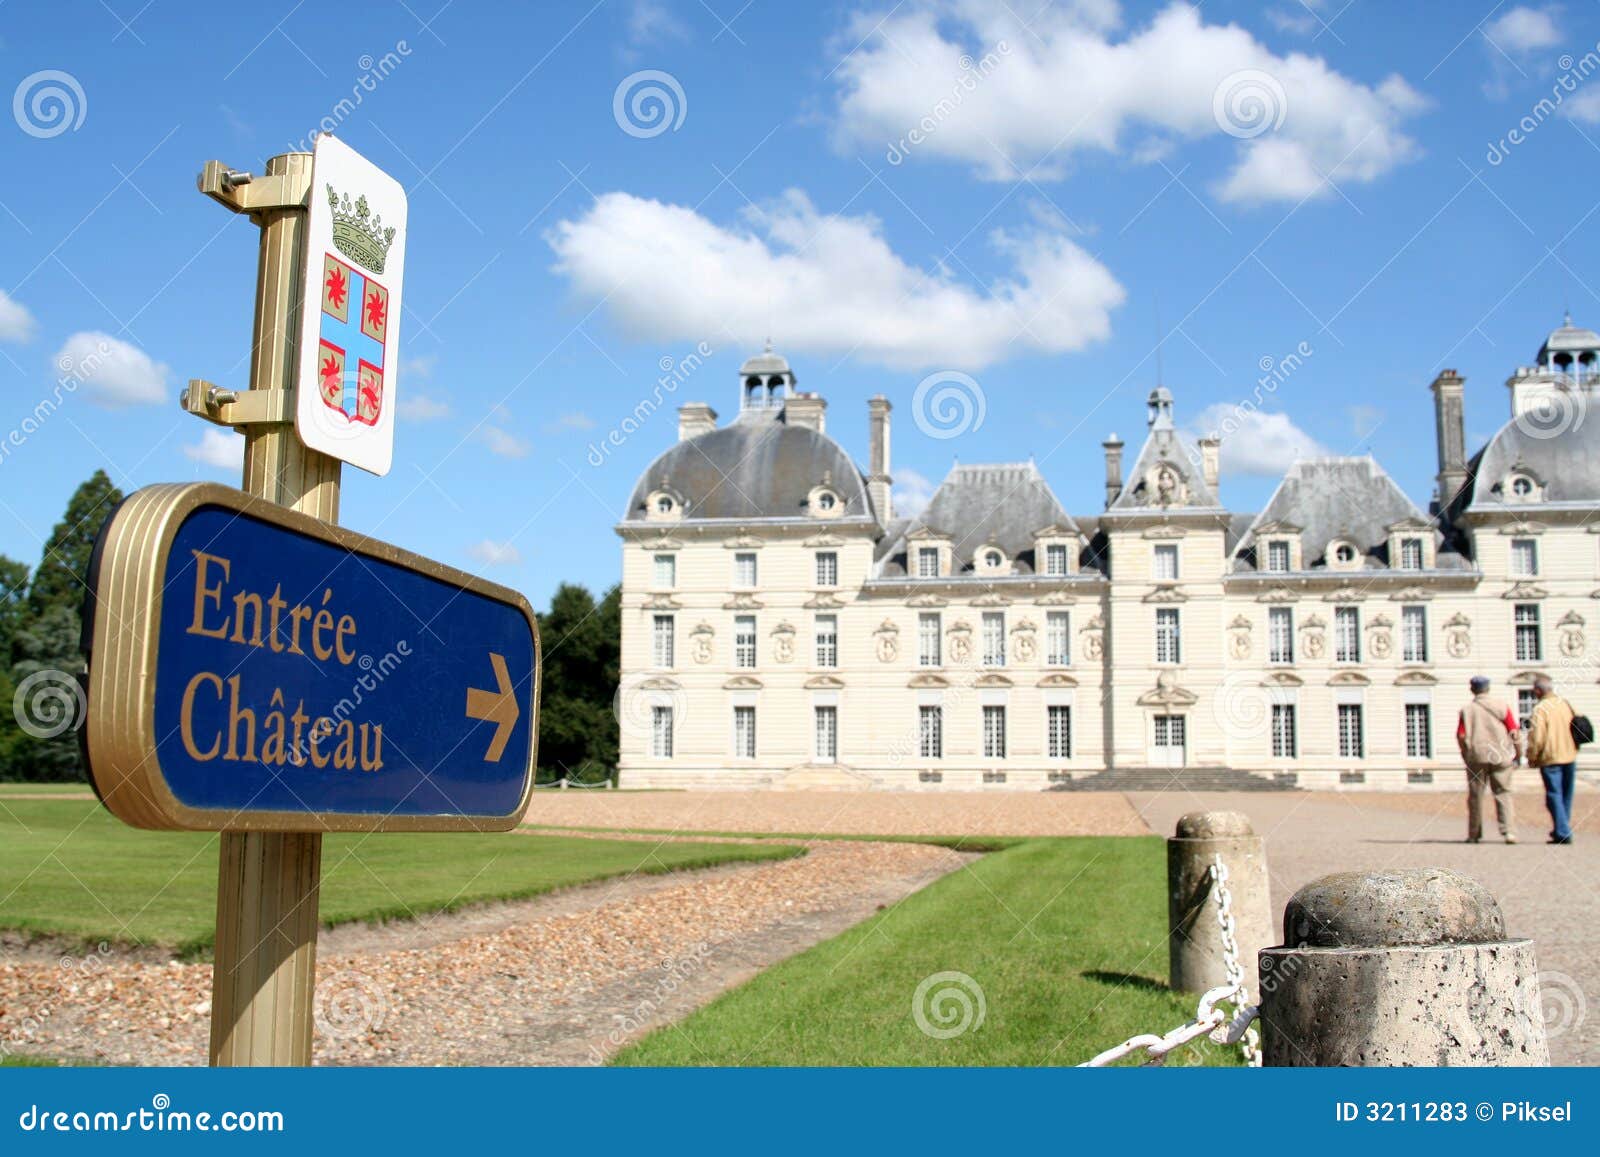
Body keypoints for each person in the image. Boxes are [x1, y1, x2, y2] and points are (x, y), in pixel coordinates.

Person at [1456, 676, 1521, 844]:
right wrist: (1518, 754)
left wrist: (1465, 754)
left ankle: (1474, 833)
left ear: (1472, 689)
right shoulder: (1502, 706)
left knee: (1475, 796)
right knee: (1503, 793)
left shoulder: (1467, 710)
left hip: (1477, 756)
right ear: (1488, 688)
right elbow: (1514, 731)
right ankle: (1509, 832)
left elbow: (1461, 735)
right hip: (1501, 755)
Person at [1526, 675, 1578, 845]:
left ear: (1538, 691)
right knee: (1566, 796)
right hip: (1569, 755)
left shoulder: (1541, 709)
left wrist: (1532, 757)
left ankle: (1562, 831)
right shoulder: (1565, 704)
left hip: (1551, 757)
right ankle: (1561, 829)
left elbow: (1537, 738)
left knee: (1554, 795)